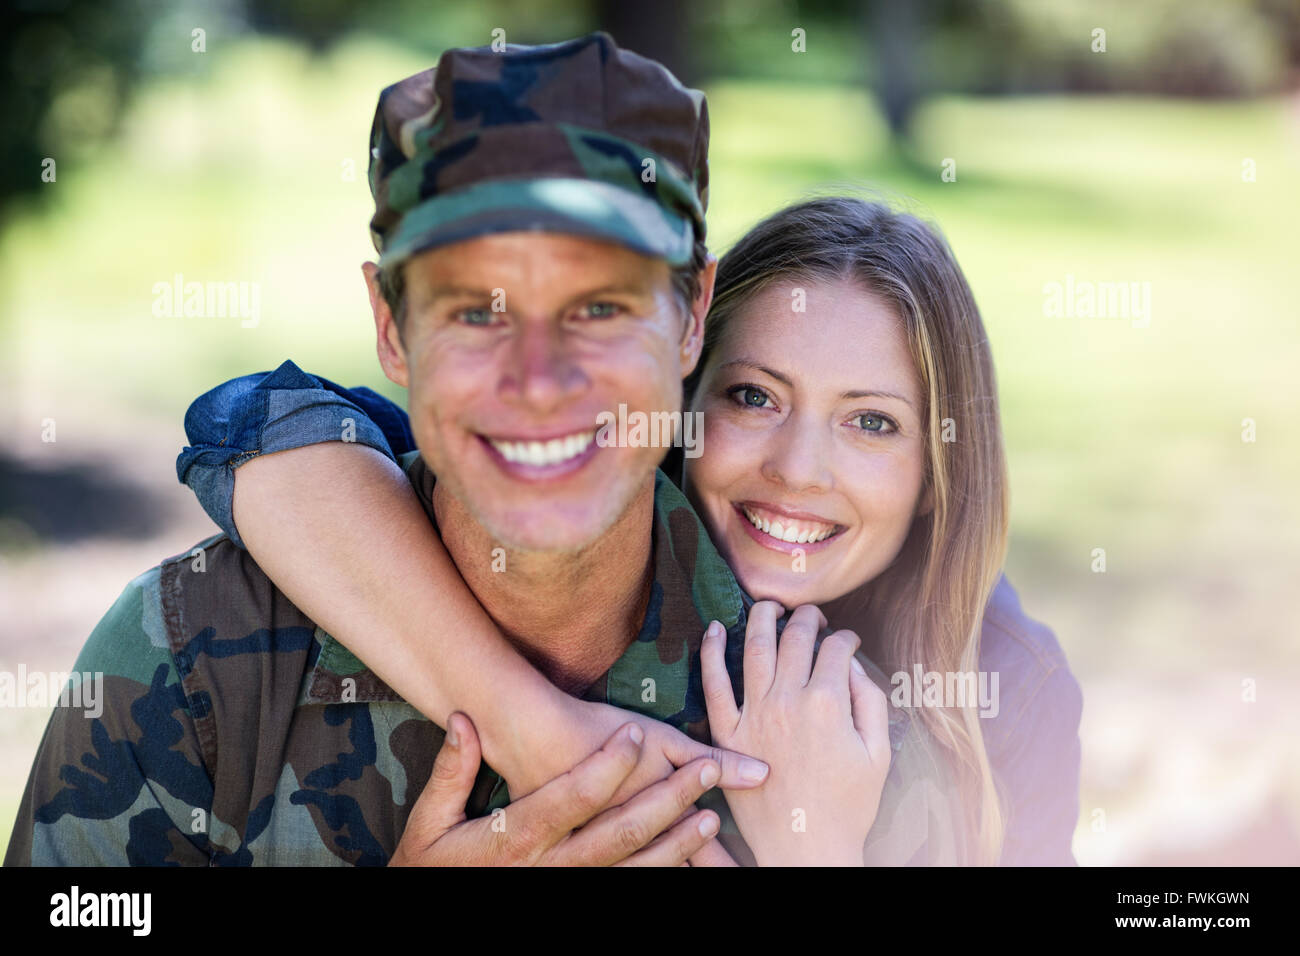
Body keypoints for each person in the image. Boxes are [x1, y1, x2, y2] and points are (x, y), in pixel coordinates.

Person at [5, 34, 952, 868]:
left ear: (695, 314)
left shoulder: (839, 745)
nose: (538, 380)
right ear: (390, 326)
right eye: (473, 311)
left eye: (602, 307)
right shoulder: (192, 664)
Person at [167, 197, 1083, 865]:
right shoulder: (558, 512)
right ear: (679, 394)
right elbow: (253, 425)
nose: (800, 469)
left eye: (872, 422)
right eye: (754, 396)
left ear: (940, 470)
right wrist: (531, 726)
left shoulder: (999, 686)